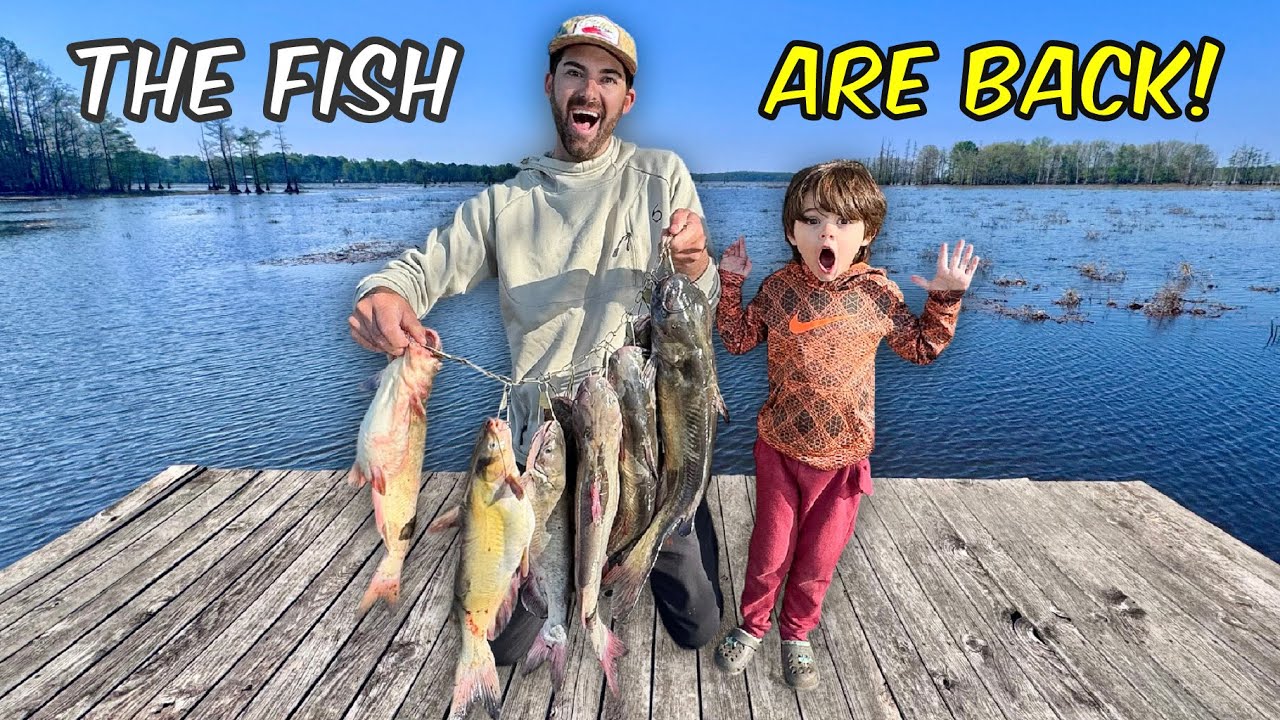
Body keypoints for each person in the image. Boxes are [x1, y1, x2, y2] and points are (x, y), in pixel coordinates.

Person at [346, 14, 724, 655]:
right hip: (542, 439)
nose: (588, 89)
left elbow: (697, 309)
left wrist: (696, 262)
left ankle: (668, 566)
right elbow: (422, 267)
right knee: (510, 638)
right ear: (551, 86)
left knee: (697, 619)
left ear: (625, 101)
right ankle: (517, 641)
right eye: (574, 72)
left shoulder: (662, 177)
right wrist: (383, 295)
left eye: (607, 78)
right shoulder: (504, 203)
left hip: (641, 434)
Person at [711, 160, 978, 690]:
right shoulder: (780, 288)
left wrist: (946, 298)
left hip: (844, 460)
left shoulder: (878, 294)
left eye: (840, 221)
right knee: (769, 551)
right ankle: (753, 626)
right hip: (780, 449)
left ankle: (796, 633)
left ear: (867, 232)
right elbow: (738, 339)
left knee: (818, 559)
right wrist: (730, 281)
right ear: (792, 232)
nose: (825, 232)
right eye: (810, 221)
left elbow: (921, 347)